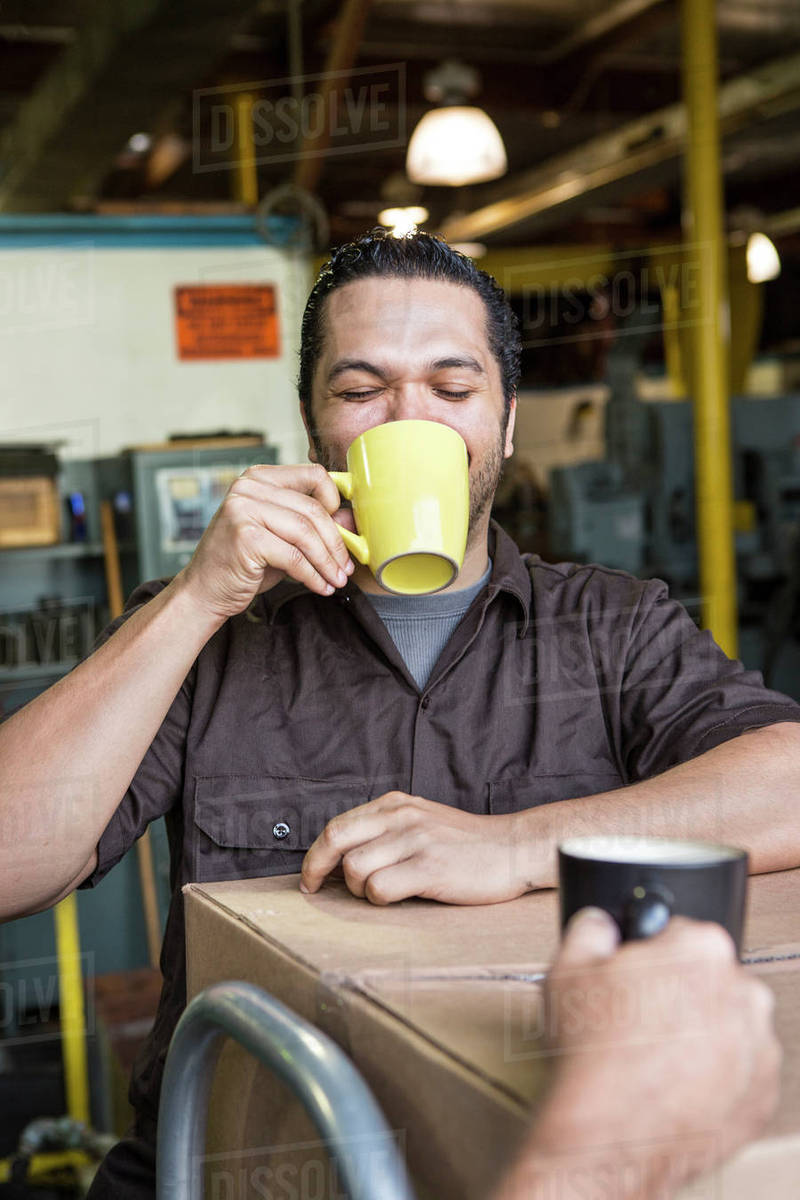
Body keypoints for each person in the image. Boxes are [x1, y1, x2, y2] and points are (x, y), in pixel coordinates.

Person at [0, 229, 797, 1196]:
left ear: (503, 427)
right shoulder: (211, 632)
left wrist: (512, 847)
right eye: (360, 390)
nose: (404, 418)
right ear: (313, 430)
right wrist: (196, 600)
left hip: (498, 1147)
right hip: (219, 1164)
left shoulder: (613, 627)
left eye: (452, 391)